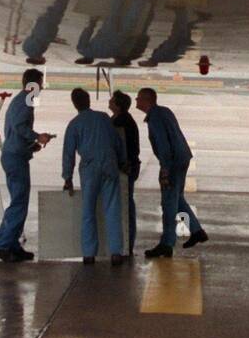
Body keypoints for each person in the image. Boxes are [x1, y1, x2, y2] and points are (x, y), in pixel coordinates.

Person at [0, 69, 55, 263]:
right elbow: (20, 127)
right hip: (15, 158)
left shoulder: (23, 99)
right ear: (33, 85)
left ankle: (12, 245)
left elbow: (17, 130)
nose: (42, 88)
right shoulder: (26, 100)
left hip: (16, 154)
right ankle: (3, 245)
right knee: (19, 203)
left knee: (19, 202)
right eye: (40, 84)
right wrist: (37, 136)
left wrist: (31, 144)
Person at [136, 87, 208, 258]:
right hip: (182, 158)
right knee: (177, 199)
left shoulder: (155, 118)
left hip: (173, 162)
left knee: (168, 202)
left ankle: (167, 243)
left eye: (138, 98)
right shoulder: (164, 112)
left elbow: (163, 144)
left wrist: (165, 169)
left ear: (147, 100)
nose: (136, 101)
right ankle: (196, 230)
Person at [62, 88, 127, 265]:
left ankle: (89, 254)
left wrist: (67, 177)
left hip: (89, 169)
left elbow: (68, 153)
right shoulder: (104, 118)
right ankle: (116, 252)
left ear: (75, 104)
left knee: (88, 212)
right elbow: (117, 142)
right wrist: (122, 161)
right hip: (109, 166)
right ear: (89, 100)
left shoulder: (74, 124)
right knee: (112, 209)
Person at [109, 90, 140, 253]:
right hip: (128, 166)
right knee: (125, 203)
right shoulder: (122, 119)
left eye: (112, 100)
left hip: (125, 167)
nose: (109, 101)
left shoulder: (120, 121)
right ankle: (126, 242)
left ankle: (127, 243)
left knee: (126, 205)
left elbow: (119, 145)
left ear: (118, 105)